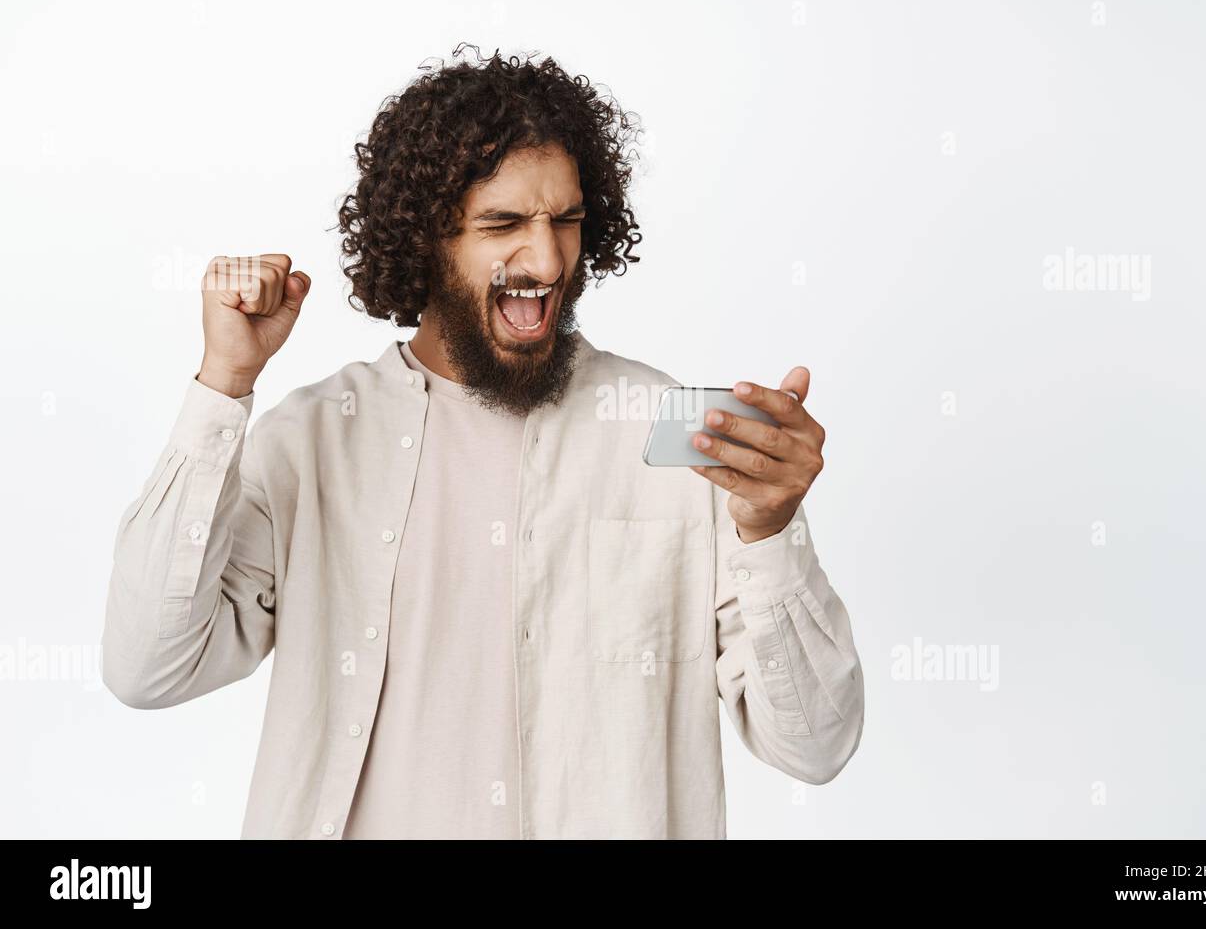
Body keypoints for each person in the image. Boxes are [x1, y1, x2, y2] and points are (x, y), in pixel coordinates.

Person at [102, 45, 863, 839]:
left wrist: (770, 532)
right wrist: (222, 384)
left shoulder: (664, 431)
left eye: (565, 220)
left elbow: (817, 746)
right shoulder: (316, 440)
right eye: (503, 223)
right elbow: (148, 667)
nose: (546, 258)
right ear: (429, 239)